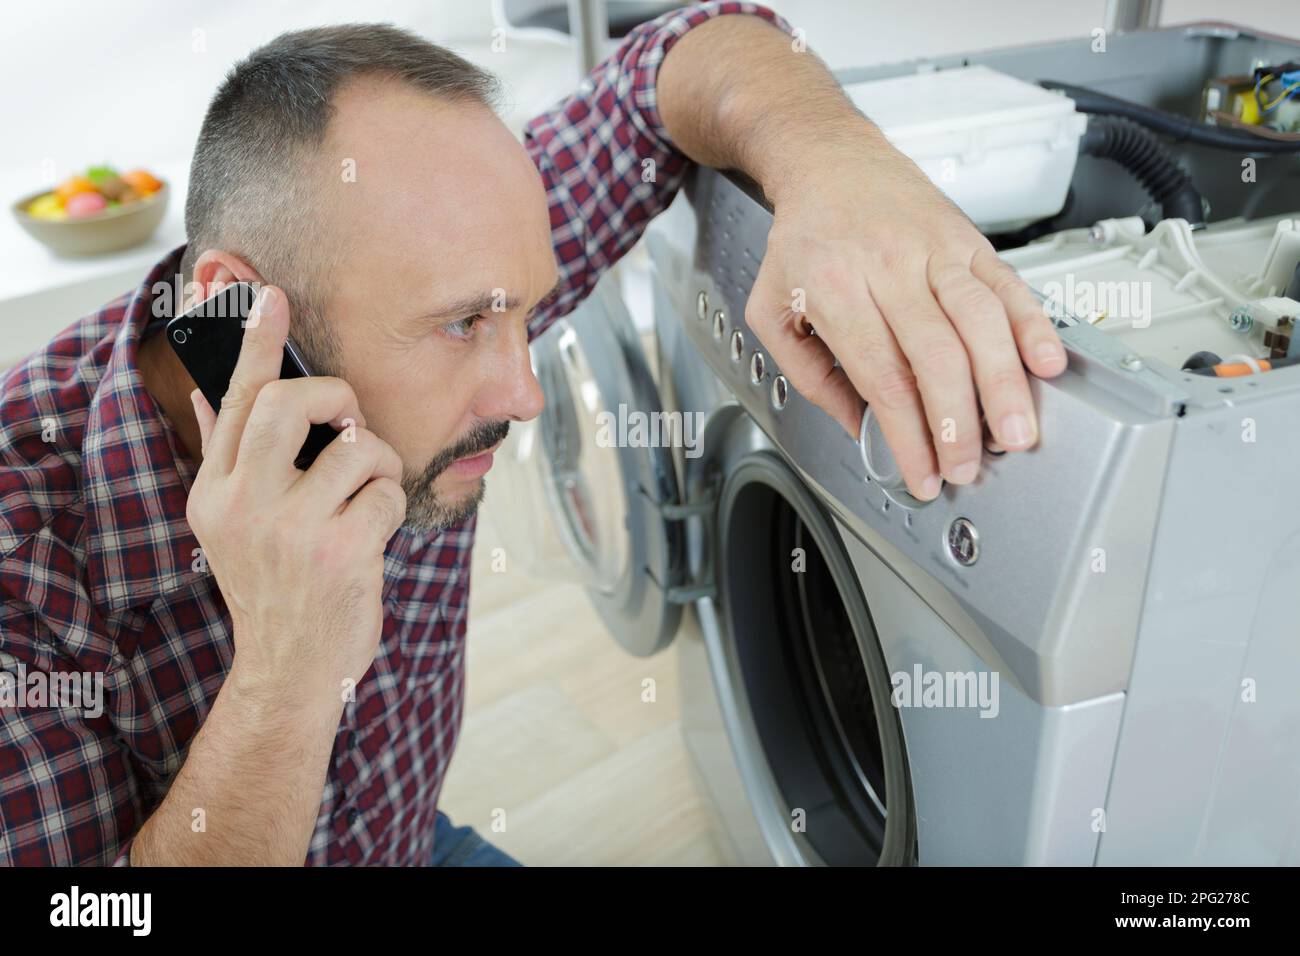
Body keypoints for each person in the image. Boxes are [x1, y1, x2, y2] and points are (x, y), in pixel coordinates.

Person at [0, 2, 1065, 866]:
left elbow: (678, 55)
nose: (523, 392)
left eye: (524, 309)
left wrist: (837, 166)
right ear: (244, 314)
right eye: (466, 322)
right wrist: (284, 667)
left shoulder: (436, 246)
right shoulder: (23, 569)